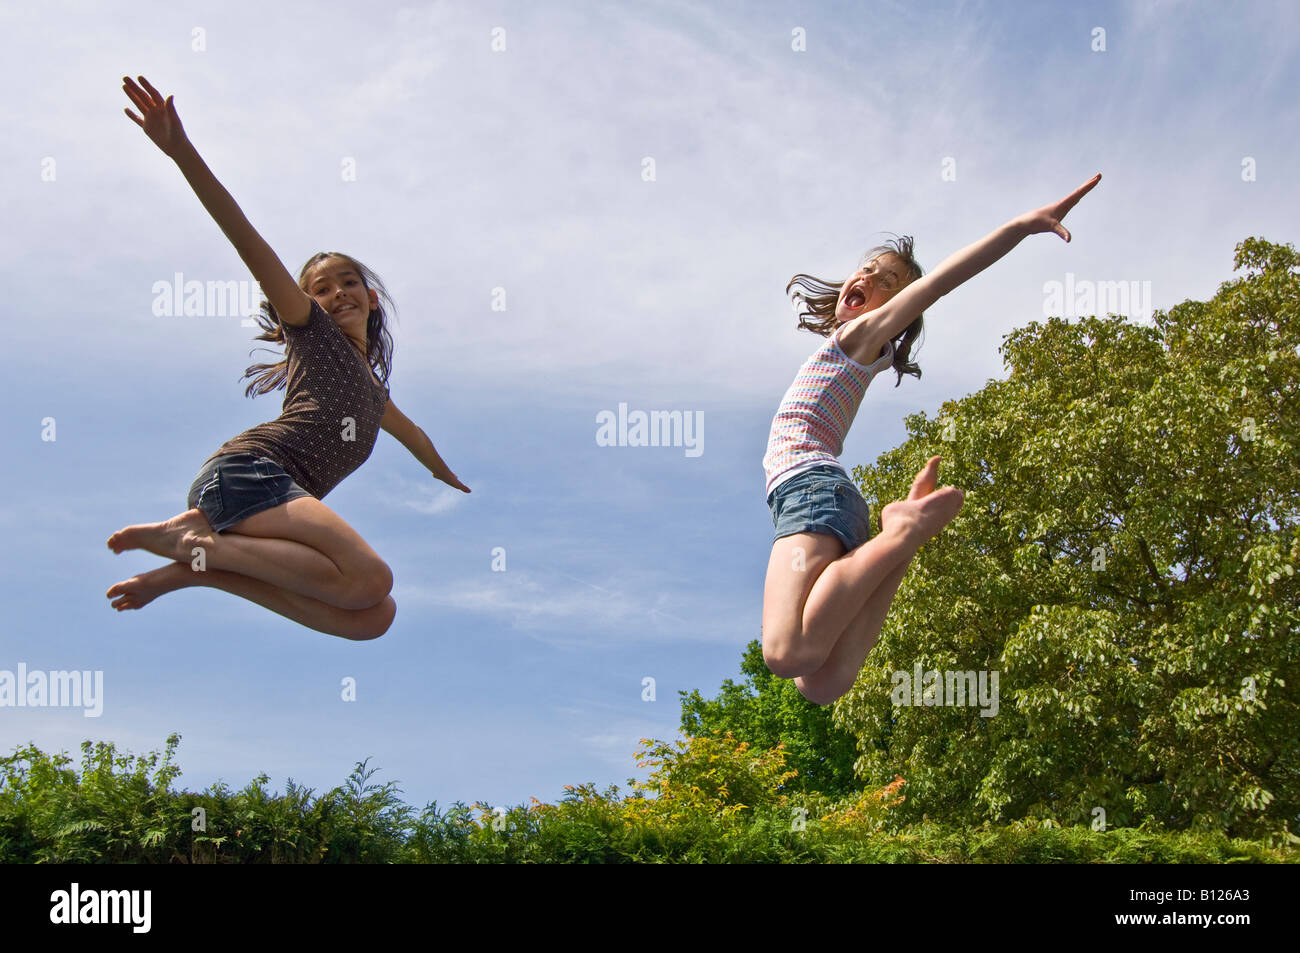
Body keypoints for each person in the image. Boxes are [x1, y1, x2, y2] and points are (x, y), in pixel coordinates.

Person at [106, 76, 469, 640]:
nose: (337, 294)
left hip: (267, 496)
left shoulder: (373, 393)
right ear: (301, 304)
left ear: (372, 299)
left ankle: (196, 568)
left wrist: (439, 468)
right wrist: (182, 152)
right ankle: (196, 547)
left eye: (349, 282)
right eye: (321, 288)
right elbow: (246, 238)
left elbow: (411, 431)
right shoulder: (311, 331)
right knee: (371, 576)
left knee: (371, 616)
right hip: (249, 475)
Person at [761, 174, 1101, 704]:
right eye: (868, 268)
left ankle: (899, 533)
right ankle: (902, 539)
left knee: (786, 654)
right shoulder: (852, 348)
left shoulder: (861, 335)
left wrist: (1020, 227)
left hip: (808, 486)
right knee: (822, 685)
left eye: (888, 281)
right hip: (832, 499)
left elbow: (940, 281)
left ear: (896, 309)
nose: (870, 276)